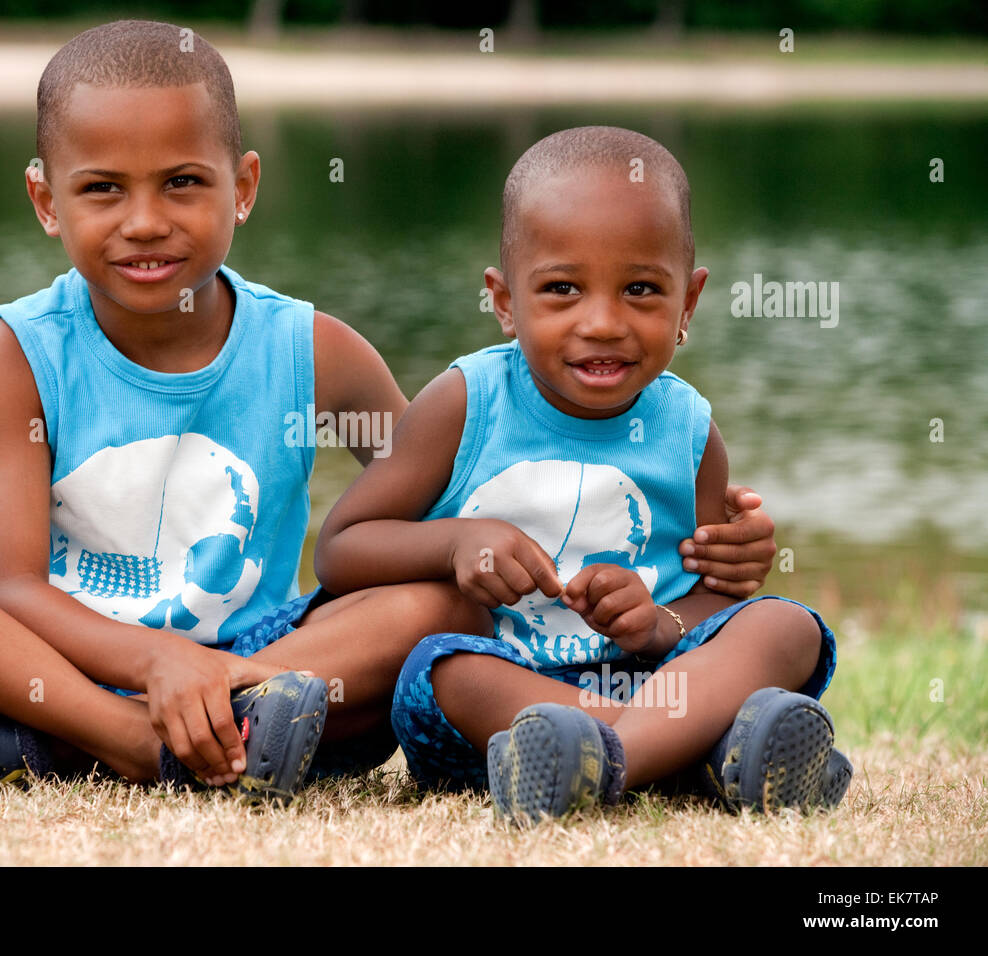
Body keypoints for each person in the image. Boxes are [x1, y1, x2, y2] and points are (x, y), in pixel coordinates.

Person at [0, 23, 779, 806]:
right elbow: (11, 586)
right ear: (45, 201)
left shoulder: (313, 351)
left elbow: (442, 525)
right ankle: (130, 740)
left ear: (242, 186)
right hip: (54, 660)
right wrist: (157, 669)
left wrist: (697, 566)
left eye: (183, 183)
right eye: (102, 189)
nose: (146, 220)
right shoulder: (17, 353)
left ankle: (42, 742)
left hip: (274, 663)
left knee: (438, 605)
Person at [314, 126, 850, 825]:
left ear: (687, 303)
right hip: (507, 696)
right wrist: (453, 544)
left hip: (651, 686)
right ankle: (698, 757)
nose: (602, 323)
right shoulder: (465, 404)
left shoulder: (688, 430)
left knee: (787, 626)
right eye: (562, 289)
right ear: (505, 301)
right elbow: (342, 548)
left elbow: (710, 603)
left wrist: (655, 622)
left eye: (640, 290)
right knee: (440, 669)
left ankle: (608, 763)